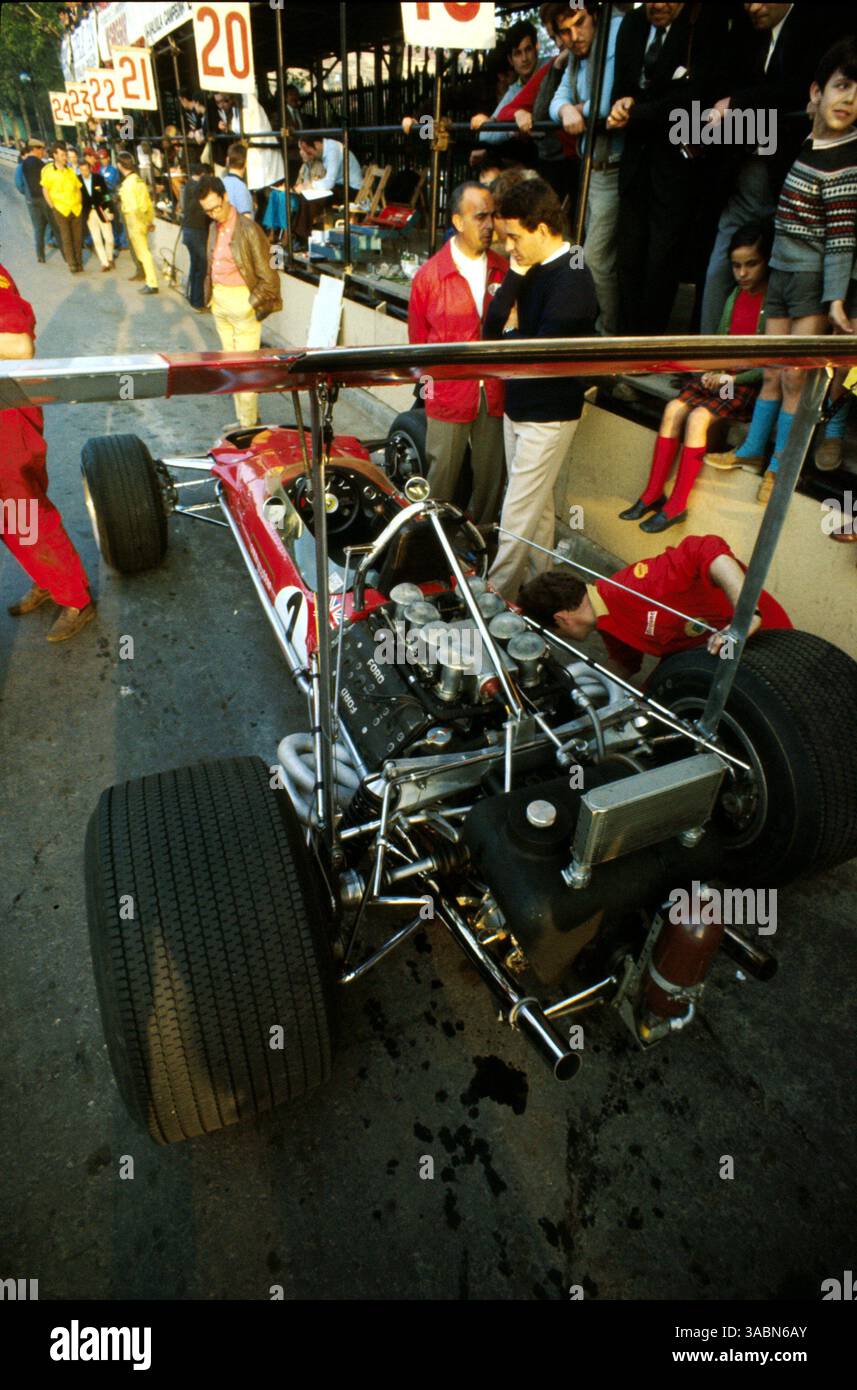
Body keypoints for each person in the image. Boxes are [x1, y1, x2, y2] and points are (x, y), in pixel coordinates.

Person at [704, 38, 857, 504]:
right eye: (842, 87)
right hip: (781, 273)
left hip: (811, 282)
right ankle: (752, 450)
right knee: (772, 369)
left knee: (795, 376)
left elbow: (843, 241)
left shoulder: (849, 163)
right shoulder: (808, 142)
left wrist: (834, 301)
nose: (849, 100)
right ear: (817, 92)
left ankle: (779, 467)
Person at [699, 3, 850, 334]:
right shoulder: (746, 33)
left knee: (779, 280)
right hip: (744, 173)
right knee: (721, 268)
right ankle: (706, 359)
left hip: (791, 177)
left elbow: (799, 89)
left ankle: (749, 371)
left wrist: (738, 103)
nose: (752, 7)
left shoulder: (816, 25)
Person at [483, 178, 597, 599]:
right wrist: (515, 272)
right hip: (522, 404)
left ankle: (492, 601)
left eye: (513, 237)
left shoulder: (573, 280)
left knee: (516, 514)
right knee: (537, 509)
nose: (507, 245)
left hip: (547, 413)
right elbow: (492, 329)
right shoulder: (532, 266)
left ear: (543, 230)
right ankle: (541, 593)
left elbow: (536, 355)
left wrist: (512, 338)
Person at [620, 222, 771, 532]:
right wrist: (711, 370)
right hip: (721, 377)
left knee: (699, 418)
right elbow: (720, 338)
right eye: (736, 265)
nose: (742, 273)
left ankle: (677, 504)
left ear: (767, 261)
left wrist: (729, 379)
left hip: (743, 386)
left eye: (751, 264)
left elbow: (767, 367)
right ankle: (652, 493)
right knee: (674, 409)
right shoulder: (734, 296)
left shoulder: (771, 303)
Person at [607, 2, 729, 334]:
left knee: (662, 259)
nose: (658, 5)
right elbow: (621, 85)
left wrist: (639, 113)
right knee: (629, 257)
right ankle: (626, 344)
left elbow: (695, 96)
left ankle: (651, 345)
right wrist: (622, 103)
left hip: (676, 164)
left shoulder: (702, 21)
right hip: (635, 163)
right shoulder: (632, 24)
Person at [517, 535, 792, 677]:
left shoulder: (638, 587)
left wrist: (747, 615)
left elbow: (705, 548)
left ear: (562, 619)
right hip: (711, 655)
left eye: (557, 632)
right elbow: (624, 664)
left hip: (767, 639)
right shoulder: (605, 618)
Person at [0, 261, 95, 641]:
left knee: (23, 507)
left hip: (7, 413)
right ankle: (47, 579)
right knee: (9, 518)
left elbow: (20, 345)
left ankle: (75, 597)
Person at [408, 182, 508, 525]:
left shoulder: (503, 269)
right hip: (448, 392)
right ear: (457, 220)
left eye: (492, 215)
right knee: (442, 477)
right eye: (480, 216)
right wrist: (431, 398)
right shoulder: (430, 277)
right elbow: (418, 345)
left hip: (494, 391)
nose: (489, 224)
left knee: (491, 479)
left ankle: (481, 546)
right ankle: (432, 544)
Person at [551, 1, 625, 334]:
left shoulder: (613, 34)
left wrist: (578, 107)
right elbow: (557, 100)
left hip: (614, 164)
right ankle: (595, 328)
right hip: (592, 167)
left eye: (580, 23)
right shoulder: (576, 59)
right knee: (587, 255)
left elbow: (610, 98)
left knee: (595, 257)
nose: (575, 35)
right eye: (565, 31)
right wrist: (568, 109)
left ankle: (607, 335)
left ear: (593, 16)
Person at [197, 175, 283, 429]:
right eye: (208, 210)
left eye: (216, 206)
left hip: (242, 301)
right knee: (232, 368)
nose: (213, 213)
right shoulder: (214, 227)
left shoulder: (248, 229)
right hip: (220, 302)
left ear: (226, 197)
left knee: (245, 369)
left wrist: (250, 303)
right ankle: (245, 420)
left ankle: (248, 427)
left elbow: (271, 277)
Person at [471, 20, 541, 168]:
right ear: (511, 60)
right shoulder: (515, 89)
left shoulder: (549, 71)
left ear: (537, 48)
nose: (524, 59)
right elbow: (486, 134)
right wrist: (512, 129)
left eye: (528, 50)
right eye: (517, 53)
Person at [214, 90, 284, 198]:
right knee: (255, 190)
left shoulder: (247, 100)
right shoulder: (235, 106)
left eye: (225, 100)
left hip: (261, 151)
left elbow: (245, 129)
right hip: (252, 153)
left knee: (267, 190)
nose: (223, 105)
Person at [291, 136, 362, 242]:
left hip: (351, 190)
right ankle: (299, 235)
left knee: (312, 199)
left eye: (310, 152)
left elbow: (329, 182)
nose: (312, 156)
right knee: (306, 196)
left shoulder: (332, 151)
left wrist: (309, 186)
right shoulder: (327, 149)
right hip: (339, 186)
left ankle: (301, 237)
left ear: (316, 145)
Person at [116, 152, 159, 294]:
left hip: (135, 221)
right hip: (144, 219)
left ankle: (152, 283)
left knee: (143, 253)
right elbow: (147, 203)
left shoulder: (128, 184)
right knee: (144, 251)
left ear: (120, 165)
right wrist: (149, 221)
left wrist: (143, 222)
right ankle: (150, 281)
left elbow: (133, 207)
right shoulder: (138, 180)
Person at [40, 141, 84, 274]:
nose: (65, 157)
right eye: (62, 155)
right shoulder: (48, 171)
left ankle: (79, 261)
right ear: (55, 155)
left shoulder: (70, 171)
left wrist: (80, 202)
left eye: (66, 155)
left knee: (77, 237)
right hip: (60, 209)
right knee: (66, 237)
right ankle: (71, 263)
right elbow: (45, 190)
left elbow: (78, 188)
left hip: (75, 209)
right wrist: (52, 206)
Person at [78, 151, 115, 272]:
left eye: (86, 170)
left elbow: (106, 195)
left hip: (101, 210)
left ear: (90, 169)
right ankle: (104, 263)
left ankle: (109, 258)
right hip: (89, 213)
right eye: (82, 170)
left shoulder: (98, 178)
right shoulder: (77, 181)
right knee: (97, 239)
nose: (85, 172)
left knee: (109, 238)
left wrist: (109, 209)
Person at [19, 137, 53, 264]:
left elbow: (20, 184)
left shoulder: (23, 165)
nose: (43, 152)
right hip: (42, 198)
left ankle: (40, 255)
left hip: (31, 200)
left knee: (38, 228)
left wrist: (27, 196)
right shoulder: (40, 164)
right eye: (42, 149)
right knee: (53, 224)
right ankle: (66, 254)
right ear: (37, 150)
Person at [181, 163, 209, 311]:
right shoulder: (197, 188)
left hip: (189, 230)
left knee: (195, 265)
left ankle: (191, 296)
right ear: (202, 174)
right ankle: (197, 302)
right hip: (197, 231)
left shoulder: (188, 186)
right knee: (201, 267)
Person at [221, 142, 255, 216]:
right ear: (245, 163)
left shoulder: (221, 182)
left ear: (227, 160)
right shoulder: (241, 187)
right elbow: (246, 218)